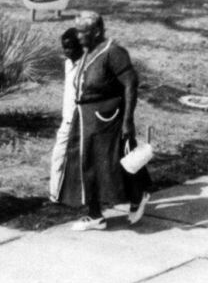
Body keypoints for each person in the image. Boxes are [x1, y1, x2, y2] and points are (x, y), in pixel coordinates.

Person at [48, 11, 152, 228]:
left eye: (82, 31)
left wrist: (127, 121)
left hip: (108, 120)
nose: (78, 36)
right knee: (87, 167)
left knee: (114, 165)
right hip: (85, 119)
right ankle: (95, 215)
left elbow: (130, 84)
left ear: (96, 32)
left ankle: (137, 196)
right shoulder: (87, 51)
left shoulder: (113, 52)